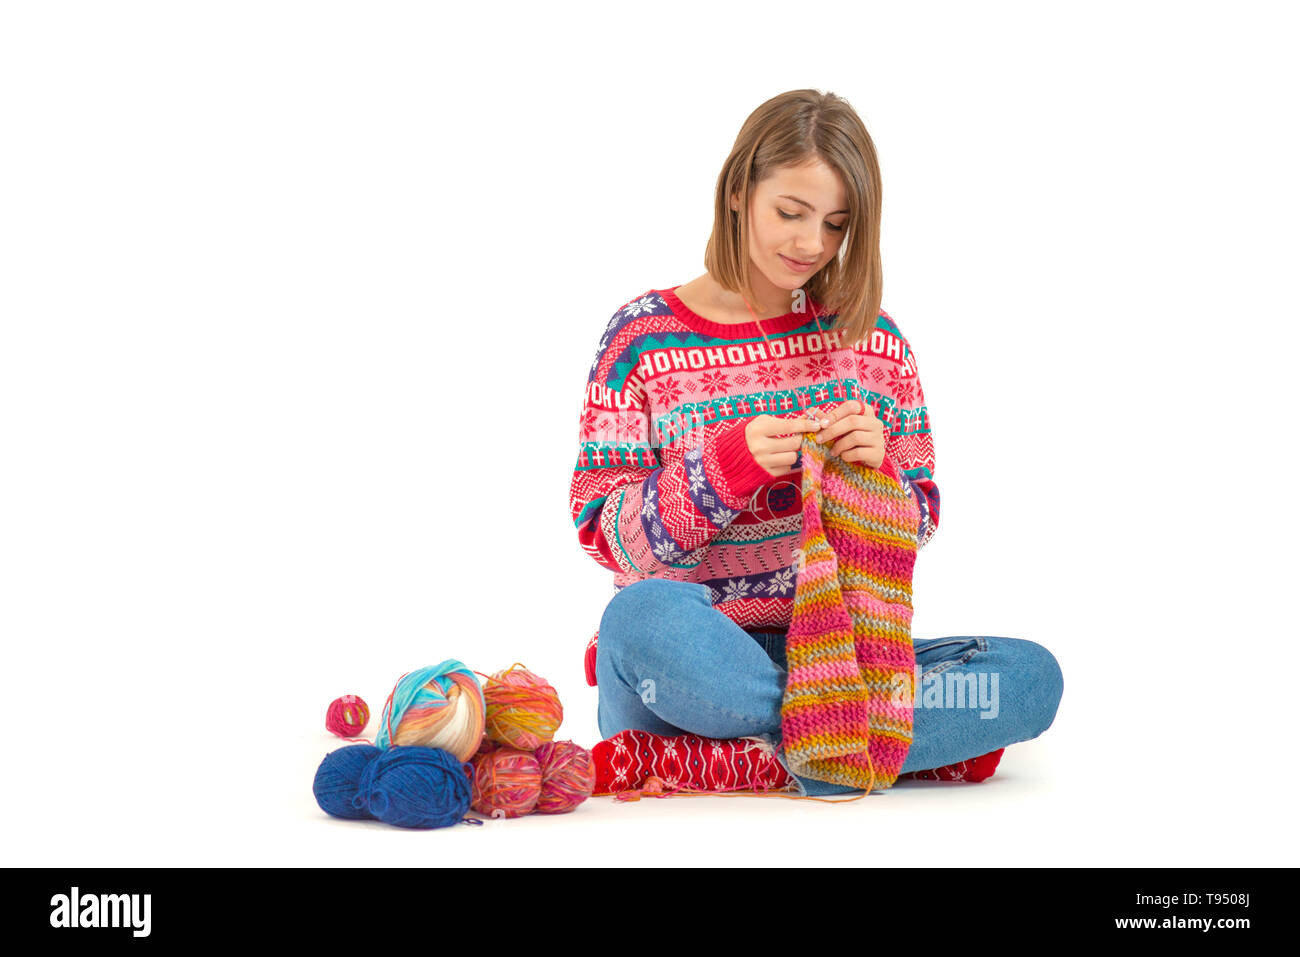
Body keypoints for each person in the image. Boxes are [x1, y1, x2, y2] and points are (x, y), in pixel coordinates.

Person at [567, 89, 1063, 799]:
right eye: (790, 213)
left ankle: (738, 760)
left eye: (835, 224)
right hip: (697, 658)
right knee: (637, 620)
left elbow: (918, 518)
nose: (811, 245)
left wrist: (879, 476)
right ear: (738, 191)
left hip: (842, 651)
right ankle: (876, 749)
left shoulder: (875, 342)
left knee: (1030, 677)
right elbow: (603, 535)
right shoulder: (639, 339)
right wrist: (721, 469)